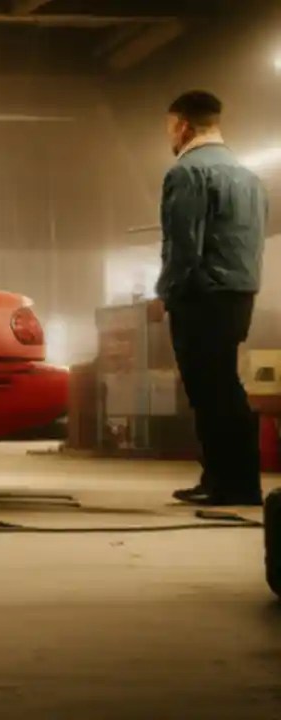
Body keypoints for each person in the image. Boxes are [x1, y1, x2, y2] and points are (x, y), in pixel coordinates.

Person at [152, 90, 267, 506]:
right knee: (224, 385)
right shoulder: (249, 176)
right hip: (240, 293)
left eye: (170, 128)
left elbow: (184, 246)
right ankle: (229, 478)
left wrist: (166, 292)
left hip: (201, 296)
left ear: (182, 125)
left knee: (208, 391)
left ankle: (229, 484)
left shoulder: (187, 173)